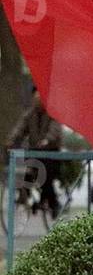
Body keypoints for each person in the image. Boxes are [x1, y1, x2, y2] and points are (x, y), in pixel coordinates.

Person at [6, 87, 63, 219]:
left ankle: (54, 204)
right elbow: (19, 129)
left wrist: (47, 140)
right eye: (35, 98)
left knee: (47, 178)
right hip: (34, 151)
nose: (37, 101)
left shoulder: (53, 114)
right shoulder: (30, 115)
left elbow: (54, 131)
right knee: (25, 170)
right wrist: (11, 140)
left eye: (40, 98)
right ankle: (25, 195)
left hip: (50, 153)